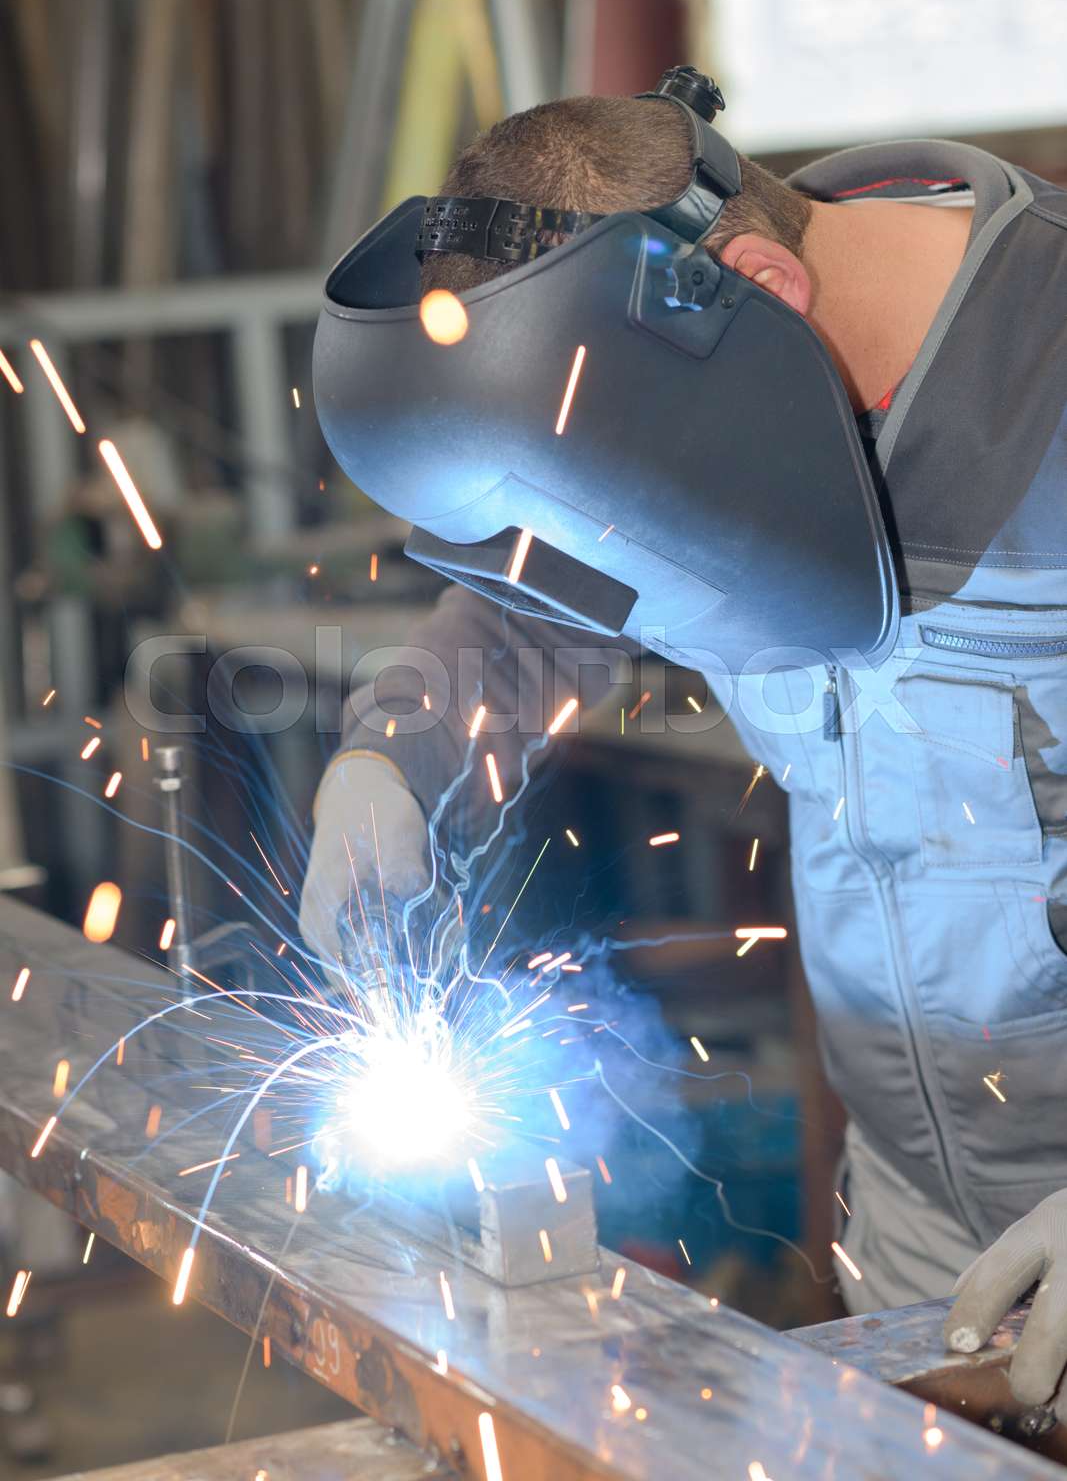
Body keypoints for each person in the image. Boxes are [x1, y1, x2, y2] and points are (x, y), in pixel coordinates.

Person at [301, 83, 1067, 1420]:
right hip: (927, 1248)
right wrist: (392, 764)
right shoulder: (719, 380)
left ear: (761, 289)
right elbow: (545, 599)